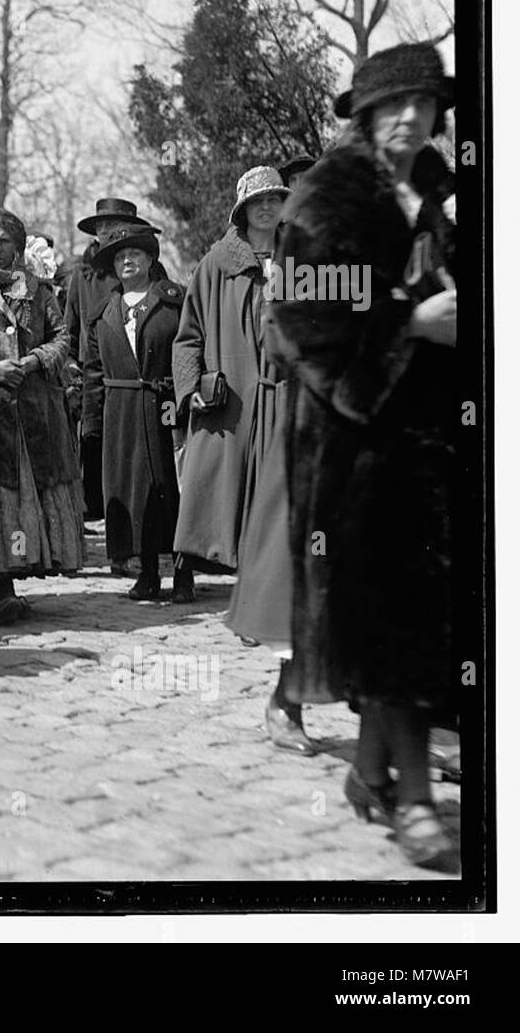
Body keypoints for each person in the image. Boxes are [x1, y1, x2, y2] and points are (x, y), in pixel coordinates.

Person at [270, 42, 458, 870]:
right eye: (395, 105)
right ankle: (414, 800)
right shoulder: (330, 199)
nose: (411, 118)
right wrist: (409, 325)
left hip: (443, 438)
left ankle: (374, 770)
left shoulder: (453, 194)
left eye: (424, 103)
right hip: (353, 443)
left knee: (419, 618)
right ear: (367, 114)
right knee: (394, 614)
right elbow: (305, 320)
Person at [0, 207, 83, 621]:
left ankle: (16, 573)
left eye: (4, 242)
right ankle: (1, 586)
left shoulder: (37, 290)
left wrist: (34, 361)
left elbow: (63, 337)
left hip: (32, 413)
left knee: (27, 495)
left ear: (18, 246)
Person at [171, 166, 290, 592]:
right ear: (242, 210)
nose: (266, 207)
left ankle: (264, 594)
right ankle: (196, 572)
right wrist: (190, 390)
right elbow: (188, 337)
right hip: (232, 401)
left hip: (285, 398)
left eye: (273, 199)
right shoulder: (215, 265)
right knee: (220, 496)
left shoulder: (304, 260)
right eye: (257, 201)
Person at [80, 221, 189, 600]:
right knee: (132, 490)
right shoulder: (102, 313)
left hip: (164, 404)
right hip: (121, 410)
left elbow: (191, 350)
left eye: (135, 254)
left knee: (170, 485)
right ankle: (146, 574)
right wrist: (91, 420)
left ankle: (183, 573)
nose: (128, 261)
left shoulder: (174, 302)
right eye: (121, 257)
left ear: (149, 259)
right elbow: (92, 370)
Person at [67, 199, 169, 532]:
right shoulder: (80, 277)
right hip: (99, 376)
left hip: (148, 377)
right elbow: (69, 331)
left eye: (114, 224)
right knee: (109, 461)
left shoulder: (153, 275)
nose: (107, 231)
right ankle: (122, 543)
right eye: (102, 226)